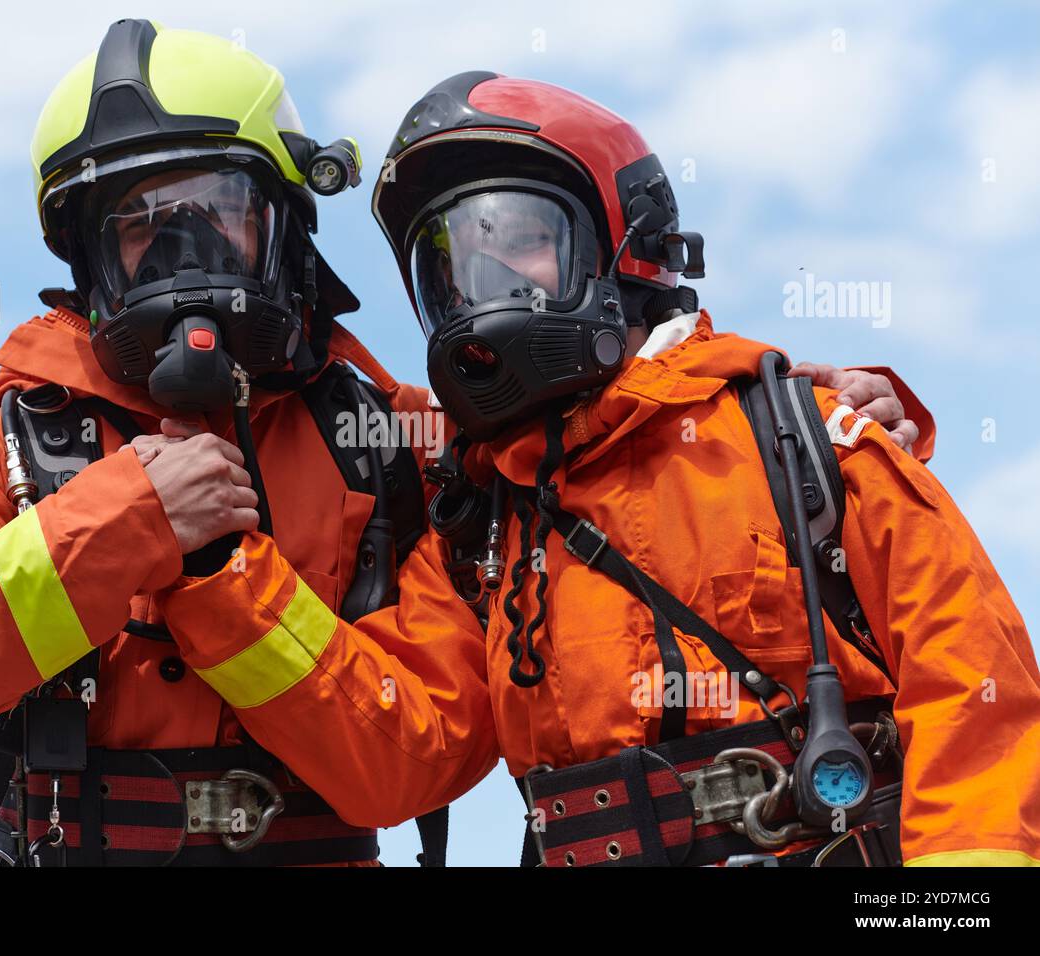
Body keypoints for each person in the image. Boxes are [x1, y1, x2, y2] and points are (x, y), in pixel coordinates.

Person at [0, 19, 930, 868]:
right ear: (87, 260)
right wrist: (127, 520)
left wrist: (776, 410)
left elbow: (422, 747)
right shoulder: (4, 450)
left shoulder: (399, 443)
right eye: (137, 224)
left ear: (284, 221)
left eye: (212, 206)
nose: (178, 247)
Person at [153, 72, 1039, 867]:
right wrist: (216, 573)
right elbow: (400, 755)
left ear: (628, 245)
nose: (482, 282)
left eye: (519, 238)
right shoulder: (480, 519)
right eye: (450, 260)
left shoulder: (808, 443)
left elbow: (980, 717)